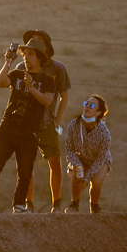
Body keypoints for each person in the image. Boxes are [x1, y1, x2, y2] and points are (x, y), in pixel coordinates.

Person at [0, 38, 57, 214]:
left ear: (39, 57)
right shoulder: (16, 73)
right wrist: (8, 62)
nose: (26, 58)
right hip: (8, 124)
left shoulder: (46, 80)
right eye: (25, 54)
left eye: (31, 54)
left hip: (29, 130)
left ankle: (19, 205)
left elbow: (47, 100)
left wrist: (31, 88)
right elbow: (0, 83)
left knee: (25, 170)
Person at [21, 30, 73, 212]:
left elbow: (64, 97)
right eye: (30, 42)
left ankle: (56, 204)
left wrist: (56, 121)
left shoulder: (57, 69)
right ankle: (28, 204)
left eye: (38, 41)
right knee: (27, 164)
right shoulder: (22, 66)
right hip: (27, 123)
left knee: (55, 163)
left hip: (47, 122)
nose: (33, 45)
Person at [64, 95, 113, 213]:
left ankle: (94, 206)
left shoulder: (104, 133)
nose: (87, 107)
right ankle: (74, 204)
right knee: (77, 172)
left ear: (98, 112)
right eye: (86, 104)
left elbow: (101, 158)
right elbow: (69, 148)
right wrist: (77, 165)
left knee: (96, 181)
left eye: (91, 106)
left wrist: (87, 178)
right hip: (81, 158)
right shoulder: (74, 125)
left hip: (100, 160)